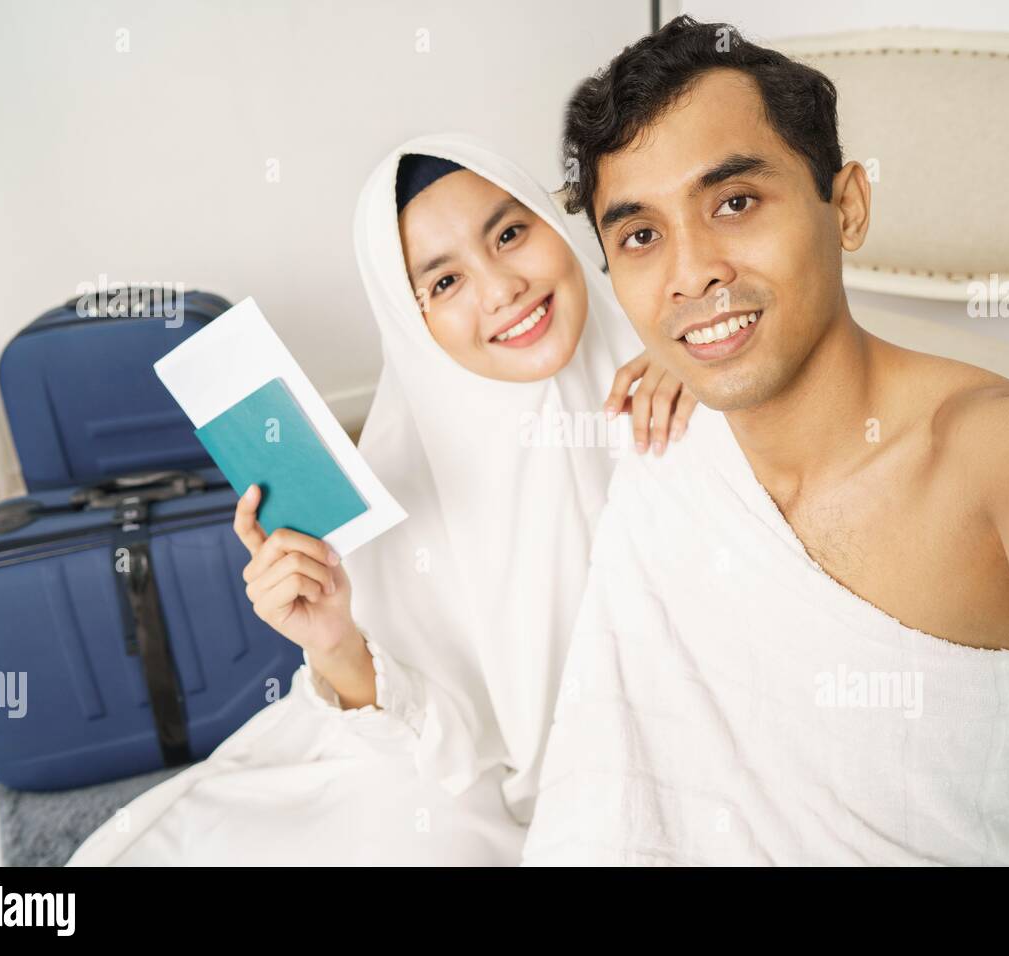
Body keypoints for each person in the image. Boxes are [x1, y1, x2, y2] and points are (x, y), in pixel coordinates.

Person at [522, 16, 1009, 866]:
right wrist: (707, 346)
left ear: (846, 206)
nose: (690, 270)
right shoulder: (659, 425)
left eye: (736, 202)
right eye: (642, 235)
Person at [66, 132, 693, 865]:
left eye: (511, 233)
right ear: (411, 318)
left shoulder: (677, 366)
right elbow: (432, 732)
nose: (501, 288)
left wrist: (702, 363)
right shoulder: (405, 477)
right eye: (445, 282)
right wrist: (331, 639)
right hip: (475, 779)